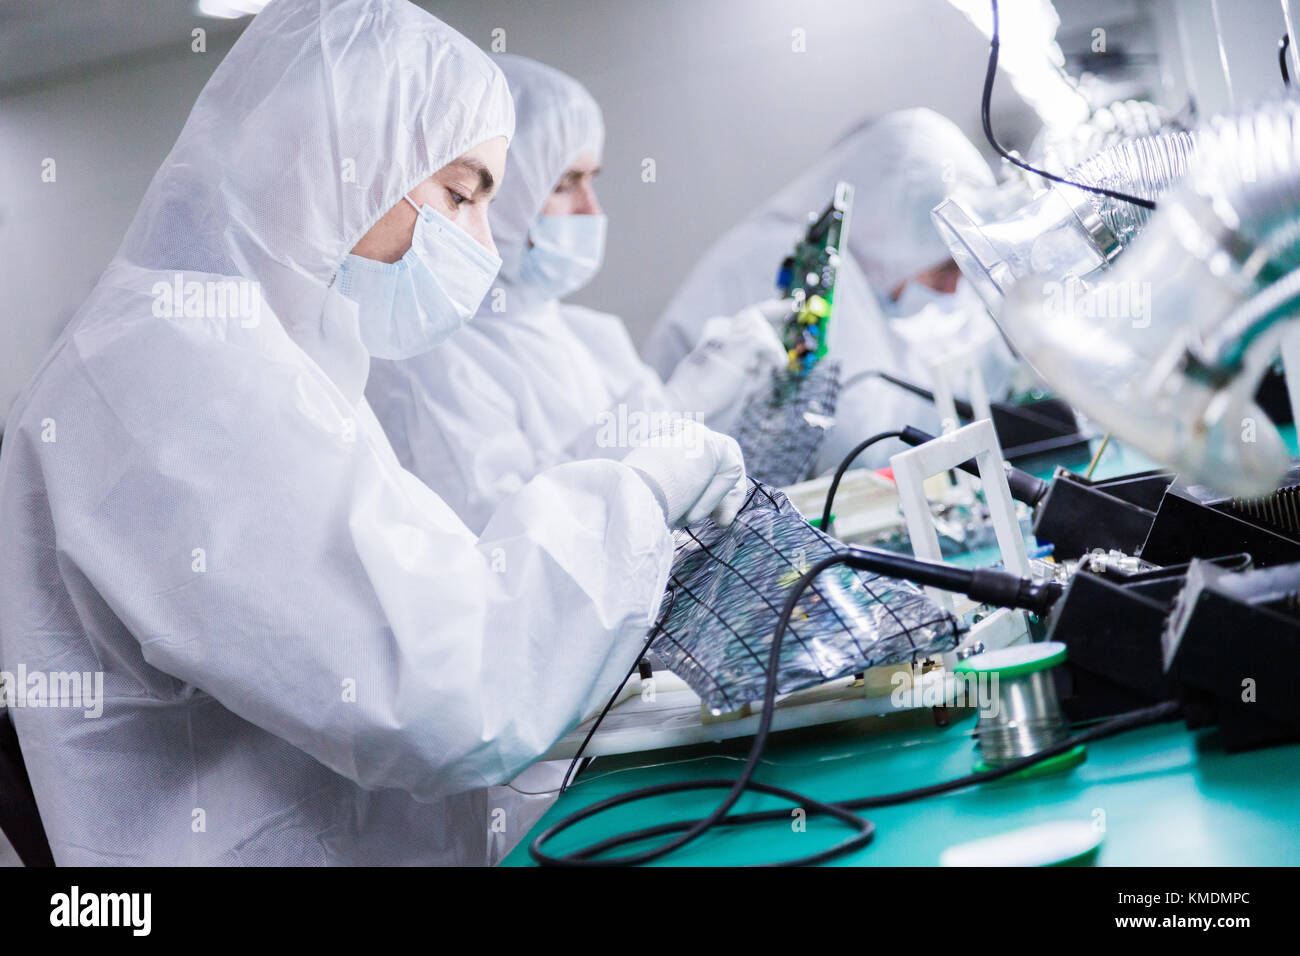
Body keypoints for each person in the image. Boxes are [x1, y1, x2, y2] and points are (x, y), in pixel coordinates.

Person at [0, 0, 749, 866]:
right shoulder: (167, 374)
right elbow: (445, 692)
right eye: (460, 194)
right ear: (343, 160)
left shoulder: (267, 355)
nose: (482, 242)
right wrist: (639, 492)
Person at [367, 55, 787, 535]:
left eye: (591, 180)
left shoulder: (586, 334)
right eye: (565, 184)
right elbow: (512, 537)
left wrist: (725, 388)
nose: (591, 210)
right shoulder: (426, 357)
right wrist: (680, 401)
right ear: (499, 191)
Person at [645, 109, 1017, 473]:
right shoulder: (792, 258)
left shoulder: (837, 260)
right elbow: (865, 447)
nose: (952, 290)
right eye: (944, 268)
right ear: (890, 230)